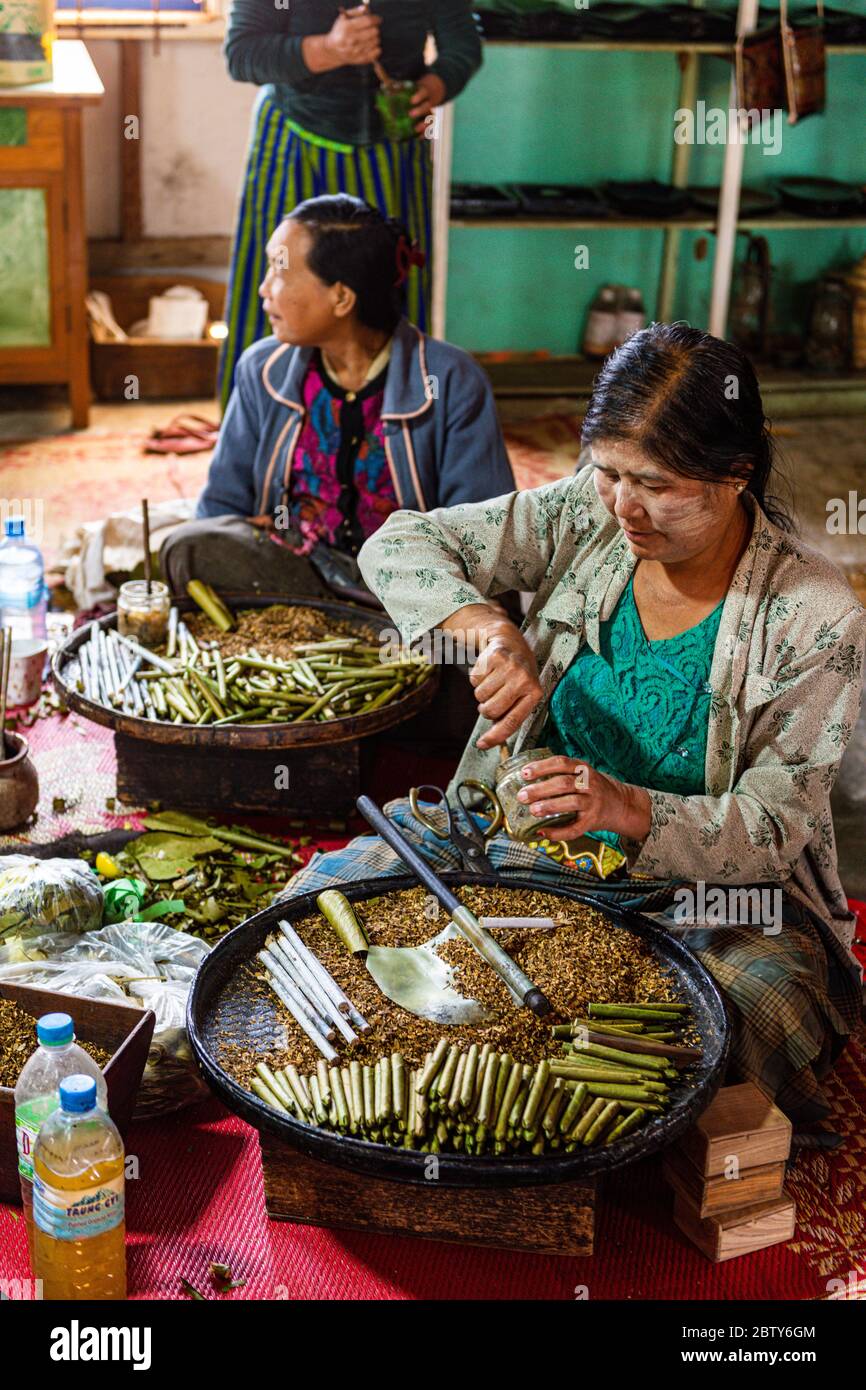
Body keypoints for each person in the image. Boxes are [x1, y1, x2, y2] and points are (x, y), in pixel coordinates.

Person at [285, 323, 865, 1123]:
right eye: (609, 473)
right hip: (509, 842)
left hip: (698, 896)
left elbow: (775, 826)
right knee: (314, 907)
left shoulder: (814, 614)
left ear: (737, 473)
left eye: (657, 484)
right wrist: (491, 631)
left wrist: (628, 809)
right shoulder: (587, 517)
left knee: (739, 1020)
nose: (625, 507)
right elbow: (402, 540)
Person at [160, 196, 514, 606]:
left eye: (279, 271)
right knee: (188, 547)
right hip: (294, 572)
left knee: (484, 623)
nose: (263, 289)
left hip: (410, 589)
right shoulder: (263, 368)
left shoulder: (450, 379)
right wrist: (235, 535)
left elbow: (484, 536)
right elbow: (222, 506)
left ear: (342, 298)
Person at [219, 0, 483, 409]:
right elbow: (242, 55)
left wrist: (432, 87)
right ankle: (261, 435)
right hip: (292, 140)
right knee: (279, 289)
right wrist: (329, 48)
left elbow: (463, 44)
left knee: (388, 289)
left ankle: (393, 429)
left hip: (391, 152)